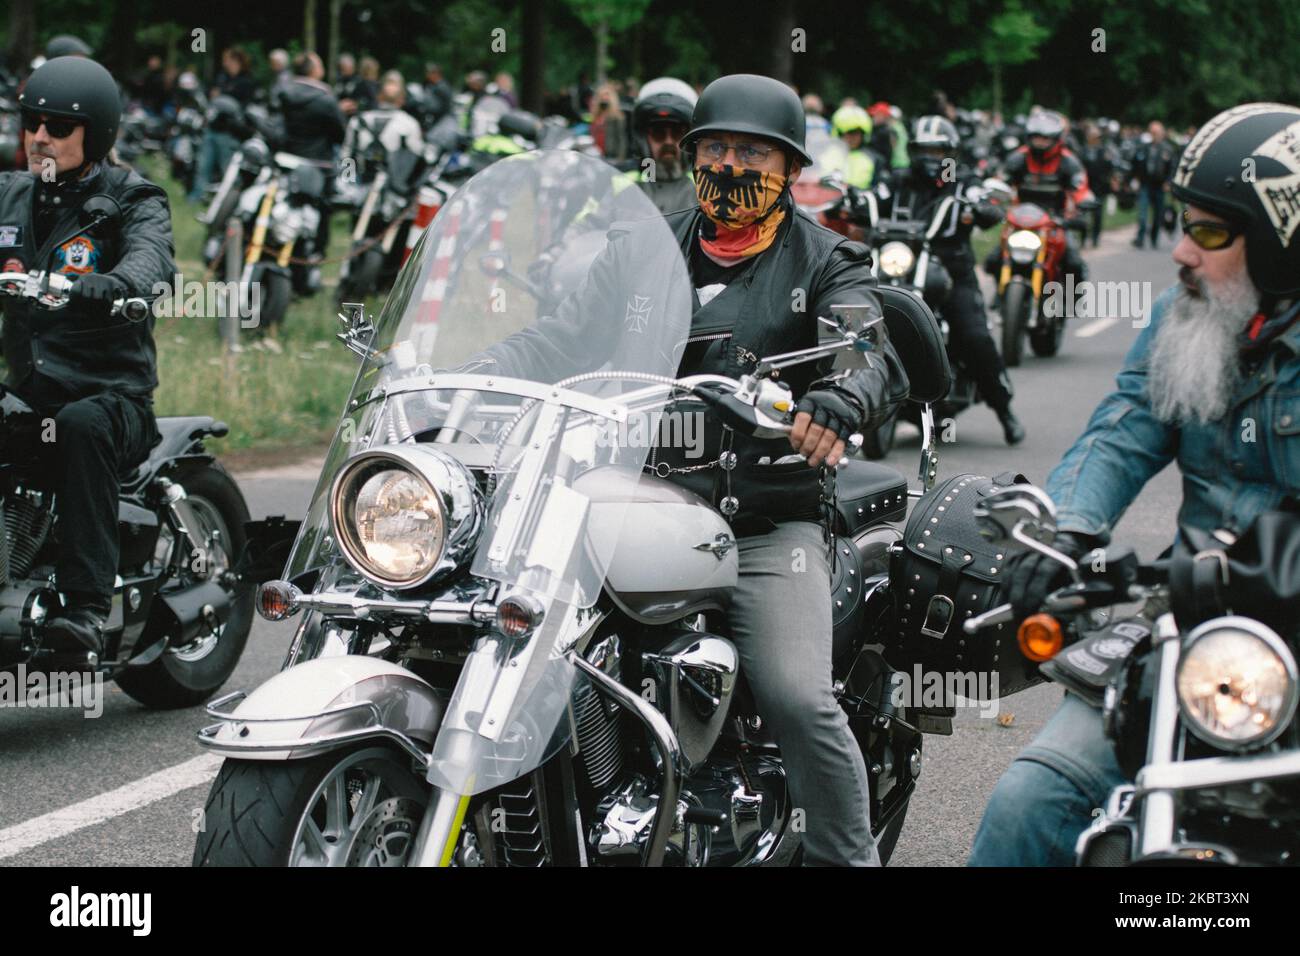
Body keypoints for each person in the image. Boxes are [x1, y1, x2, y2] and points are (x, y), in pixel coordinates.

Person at [481, 74, 910, 865]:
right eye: (714, 148)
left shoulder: (826, 260)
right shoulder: (645, 252)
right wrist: (481, 376)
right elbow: (560, 337)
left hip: (761, 524)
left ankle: (847, 858)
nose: (729, 165)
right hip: (627, 506)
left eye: (751, 151)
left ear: (788, 168)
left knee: (797, 695)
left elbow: (864, 351)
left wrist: (841, 400)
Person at [968, 102, 1300, 866]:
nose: (1181, 250)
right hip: (1192, 631)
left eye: (1210, 232)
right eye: (1183, 223)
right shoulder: (1187, 316)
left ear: (1285, 246)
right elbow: (1122, 428)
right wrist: (1065, 528)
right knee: (1027, 806)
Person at [1, 56, 173, 661]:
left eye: (57, 127)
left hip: (112, 398)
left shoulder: (131, 198)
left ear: (94, 136)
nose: (40, 136)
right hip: (29, 391)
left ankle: (85, 607)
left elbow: (154, 257)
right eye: (32, 123)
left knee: (80, 425)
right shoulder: (10, 193)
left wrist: (120, 281)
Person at [885, 115, 1023, 444]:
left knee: (973, 336)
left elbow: (986, 201)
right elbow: (872, 195)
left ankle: (1003, 408)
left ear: (950, 154)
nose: (930, 159)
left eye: (938, 151)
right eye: (923, 151)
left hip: (951, 271)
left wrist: (984, 207)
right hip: (901, 266)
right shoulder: (899, 180)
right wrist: (850, 201)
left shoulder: (962, 182)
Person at [1001, 109, 1090, 292]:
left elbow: (1081, 188)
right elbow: (1001, 182)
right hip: (1020, 221)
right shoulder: (1018, 158)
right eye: (1036, 137)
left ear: (1056, 138)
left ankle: (1070, 300)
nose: (1040, 142)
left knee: (1073, 261)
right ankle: (1000, 294)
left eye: (1045, 138)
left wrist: (1084, 203)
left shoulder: (1068, 162)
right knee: (994, 259)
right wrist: (991, 202)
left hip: (1054, 222)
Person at [624, 76, 697, 215]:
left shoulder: (705, 187)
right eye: (658, 133)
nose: (668, 141)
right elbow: (586, 225)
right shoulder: (622, 184)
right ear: (643, 139)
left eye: (676, 132)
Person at [1130, 120, 1176, 249]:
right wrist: (1135, 178)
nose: (1154, 134)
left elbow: (1172, 168)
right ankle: (1140, 238)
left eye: (1156, 132)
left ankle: (1154, 237)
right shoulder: (1144, 148)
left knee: (1158, 214)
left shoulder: (1168, 149)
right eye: (1152, 132)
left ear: (1162, 133)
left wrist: (1168, 182)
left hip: (1160, 186)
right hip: (1145, 184)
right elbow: (1135, 164)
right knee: (1142, 213)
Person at [827, 104, 883, 189]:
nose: (853, 138)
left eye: (857, 133)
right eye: (849, 133)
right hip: (830, 200)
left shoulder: (874, 158)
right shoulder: (827, 155)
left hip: (860, 200)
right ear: (839, 133)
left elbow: (879, 188)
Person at [1079, 122, 1117, 247]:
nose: (1095, 139)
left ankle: (1095, 238)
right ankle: (1083, 238)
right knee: (1084, 214)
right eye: (1092, 136)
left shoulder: (1104, 151)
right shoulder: (1083, 151)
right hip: (1085, 187)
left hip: (1100, 187)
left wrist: (1112, 180)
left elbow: (1110, 168)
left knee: (1098, 214)